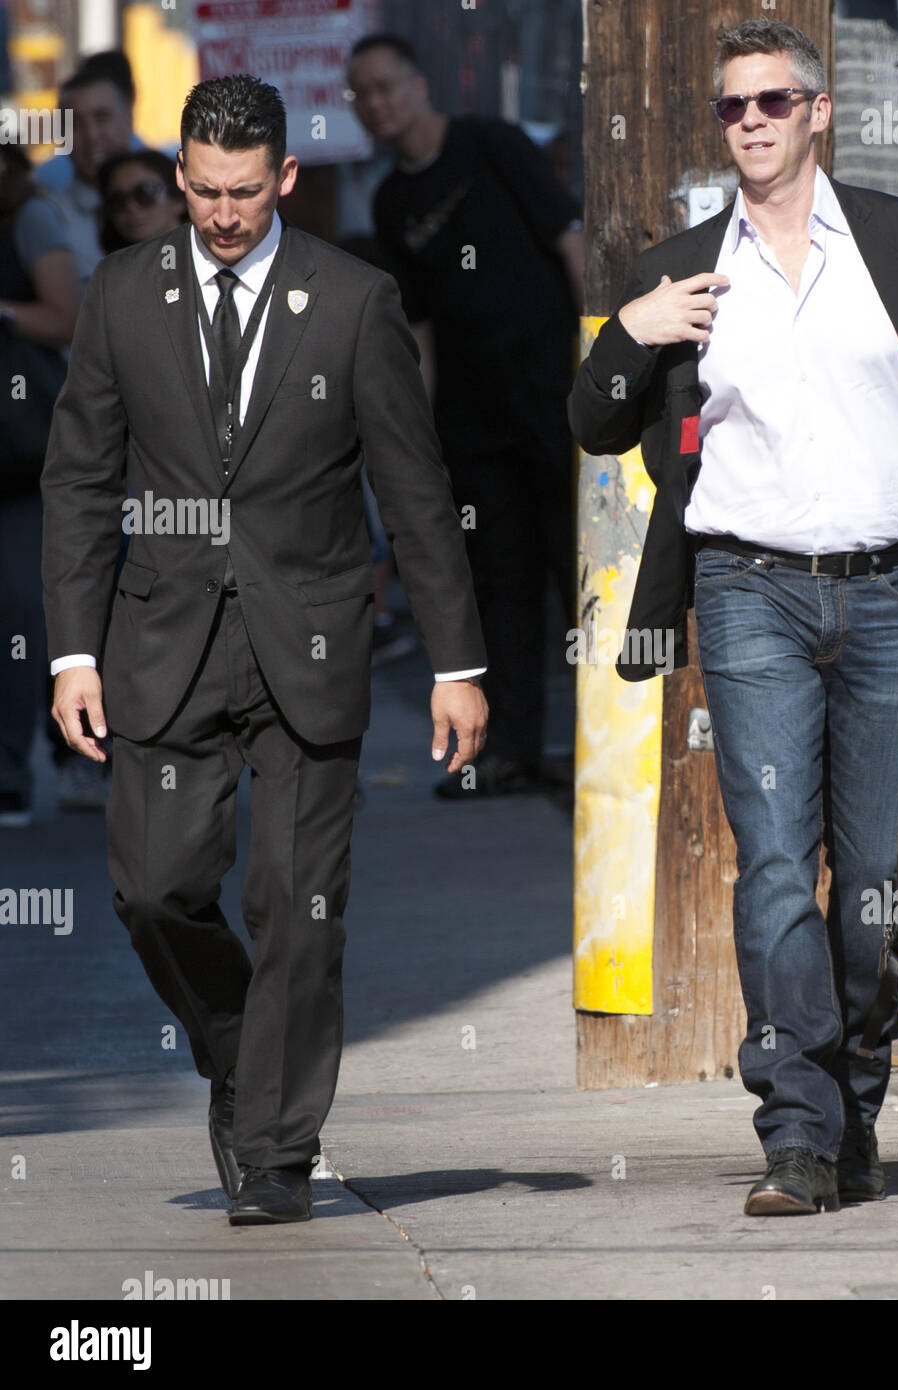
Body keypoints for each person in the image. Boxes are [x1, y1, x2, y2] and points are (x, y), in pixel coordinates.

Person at [568, 18, 898, 1216]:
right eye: (730, 107)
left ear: (817, 112)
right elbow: (597, 424)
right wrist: (626, 335)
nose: (749, 121)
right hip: (747, 588)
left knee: (870, 878)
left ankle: (855, 1092)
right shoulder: (686, 268)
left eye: (771, 101)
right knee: (773, 865)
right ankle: (797, 1131)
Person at [42, 74, 488, 1225]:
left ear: (285, 177)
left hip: (313, 642)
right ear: (178, 178)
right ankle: (243, 1050)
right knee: (154, 891)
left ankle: (278, 1149)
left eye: (245, 192)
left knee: (299, 907)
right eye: (203, 192)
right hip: (162, 641)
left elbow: (413, 483)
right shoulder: (121, 295)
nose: (223, 214)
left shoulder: (352, 299)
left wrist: (456, 662)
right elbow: (82, 479)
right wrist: (70, 653)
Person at [347, 31, 584, 798]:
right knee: (500, 587)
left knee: (579, 576)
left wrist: (602, 368)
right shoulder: (391, 200)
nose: (380, 103)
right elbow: (418, 329)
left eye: (388, 85)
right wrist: (414, 436)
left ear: (419, 85)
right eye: (364, 94)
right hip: (474, 426)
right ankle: (510, 750)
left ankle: (616, 752)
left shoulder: (491, 144)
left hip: (556, 401)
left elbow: (570, 243)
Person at [0, 144, 78, 828]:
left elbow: (65, 316)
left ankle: (13, 771)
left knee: (22, 609)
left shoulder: (27, 218)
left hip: (18, 449)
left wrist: (3, 313)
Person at [40, 54, 145, 293]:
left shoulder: (175, 192)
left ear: (129, 117)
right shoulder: (48, 217)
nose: (92, 135)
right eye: (75, 123)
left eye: (102, 117)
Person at [97, 149, 187, 252]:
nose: (130, 207)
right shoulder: (111, 266)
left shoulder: (206, 256)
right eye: (117, 200)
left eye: (145, 193)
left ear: (178, 199)